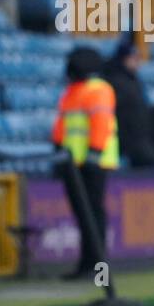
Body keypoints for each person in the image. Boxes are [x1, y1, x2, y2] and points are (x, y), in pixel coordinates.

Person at [52, 47, 118, 279]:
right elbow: (62, 126)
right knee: (83, 214)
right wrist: (58, 153)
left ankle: (98, 266)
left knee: (93, 214)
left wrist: (93, 154)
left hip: (94, 163)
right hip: (73, 163)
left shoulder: (98, 89)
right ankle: (86, 264)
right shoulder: (71, 91)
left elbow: (101, 123)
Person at [103, 42, 154, 167]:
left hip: (140, 138)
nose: (137, 61)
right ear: (123, 59)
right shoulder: (115, 81)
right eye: (133, 58)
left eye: (138, 58)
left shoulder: (133, 80)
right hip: (126, 140)